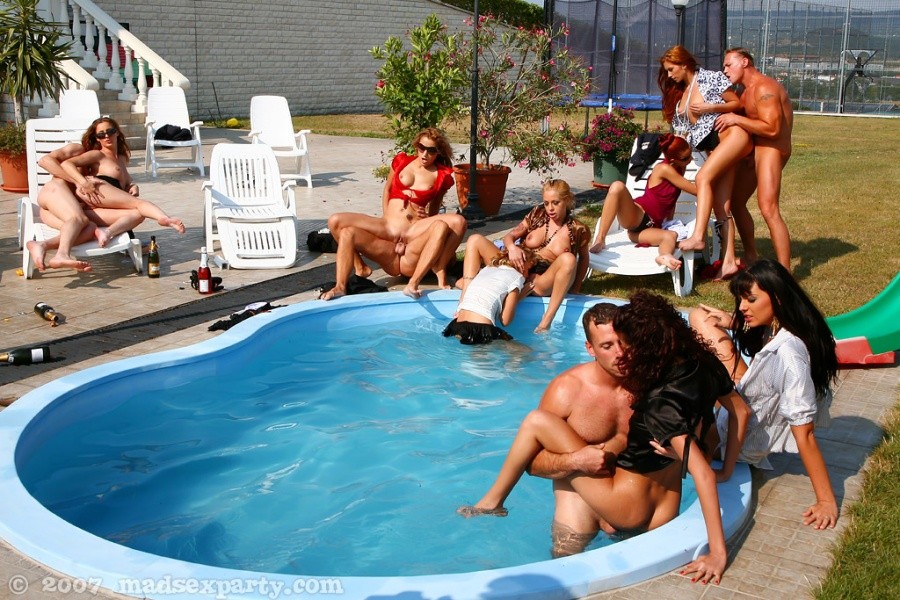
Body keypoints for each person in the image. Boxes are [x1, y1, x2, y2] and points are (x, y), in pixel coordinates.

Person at [460, 292, 748, 585]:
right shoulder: (567, 390)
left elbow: (705, 436)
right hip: (604, 498)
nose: (620, 354)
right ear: (589, 348)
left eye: (625, 343)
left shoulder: (652, 382)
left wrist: (692, 455)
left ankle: (491, 502)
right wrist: (577, 459)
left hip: (628, 499)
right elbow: (533, 464)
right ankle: (495, 504)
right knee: (568, 566)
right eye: (607, 346)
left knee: (536, 422)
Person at [689, 259, 839, 529]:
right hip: (748, 400)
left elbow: (804, 433)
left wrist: (826, 500)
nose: (743, 307)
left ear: (778, 298)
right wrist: (736, 323)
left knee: (681, 438)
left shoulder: (790, 357)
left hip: (738, 433)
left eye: (751, 300)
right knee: (699, 316)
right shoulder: (790, 329)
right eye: (741, 300)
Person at [322, 128, 466, 298]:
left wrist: (427, 218)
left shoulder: (441, 175)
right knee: (335, 221)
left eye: (431, 150)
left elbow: (434, 209)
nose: (425, 154)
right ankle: (360, 268)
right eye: (422, 147)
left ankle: (439, 267)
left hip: (413, 229)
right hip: (388, 224)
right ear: (416, 146)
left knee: (459, 221)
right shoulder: (401, 161)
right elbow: (387, 190)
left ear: (438, 152)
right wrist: (385, 217)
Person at [26, 117, 184, 272]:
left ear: (117, 133)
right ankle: (61, 255)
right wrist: (79, 182)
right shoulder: (79, 150)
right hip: (56, 191)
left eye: (110, 132)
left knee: (89, 228)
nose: (106, 136)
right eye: (101, 134)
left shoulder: (110, 158)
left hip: (73, 204)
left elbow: (120, 177)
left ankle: (43, 245)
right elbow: (45, 161)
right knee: (79, 219)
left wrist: (131, 184)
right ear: (95, 137)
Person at [659, 45, 753, 280]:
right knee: (723, 207)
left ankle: (699, 236)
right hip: (715, 149)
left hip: (733, 137)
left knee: (703, 178)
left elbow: (736, 104)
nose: (669, 75)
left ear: (684, 64)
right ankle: (729, 262)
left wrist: (711, 107)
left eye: (672, 69)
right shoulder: (684, 91)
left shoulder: (709, 78)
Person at [463, 179, 591, 333]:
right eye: (546, 203)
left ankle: (546, 320)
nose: (550, 208)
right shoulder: (537, 214)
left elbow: (583, 258)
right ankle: (464, 299)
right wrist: (511, 247)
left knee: (569, 258)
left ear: (567, 201)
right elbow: (510, 236)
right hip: (516, 265)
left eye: (555, 203)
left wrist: (576, 288)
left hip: (539, 280)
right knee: (475, 239)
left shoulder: (578, 229)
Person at [716, 48, 794, 271]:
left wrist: (734, 119)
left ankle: (785, 272)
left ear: (745, 62)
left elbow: (772, 129)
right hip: (758, 147)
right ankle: (750, 255)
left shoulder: (765, 88)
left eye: (729, 65)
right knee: (736, 201)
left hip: (772, 148)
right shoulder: (744, 90)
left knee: (768, 208)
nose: (725, 70)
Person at [589, 133, 697, 271]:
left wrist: (669, 222)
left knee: (670, 236)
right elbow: (696, 190)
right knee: (617, 186)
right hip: (638, 215)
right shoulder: (663, 169)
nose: (691, 159)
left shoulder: (679, 167)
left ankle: (665, 256)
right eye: (686, 158)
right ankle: (600, 238)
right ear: (672, 159)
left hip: (646, 229)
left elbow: (670, 200)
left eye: (690, 154)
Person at [443, 246, 536, 345]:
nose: (527, 275)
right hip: (481, 329)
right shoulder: (517, 277)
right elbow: (505, 321)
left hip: (456, 325)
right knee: (524, 353)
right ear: (521, 264)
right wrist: (519, 296)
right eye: (528, 270)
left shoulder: (488, 268)